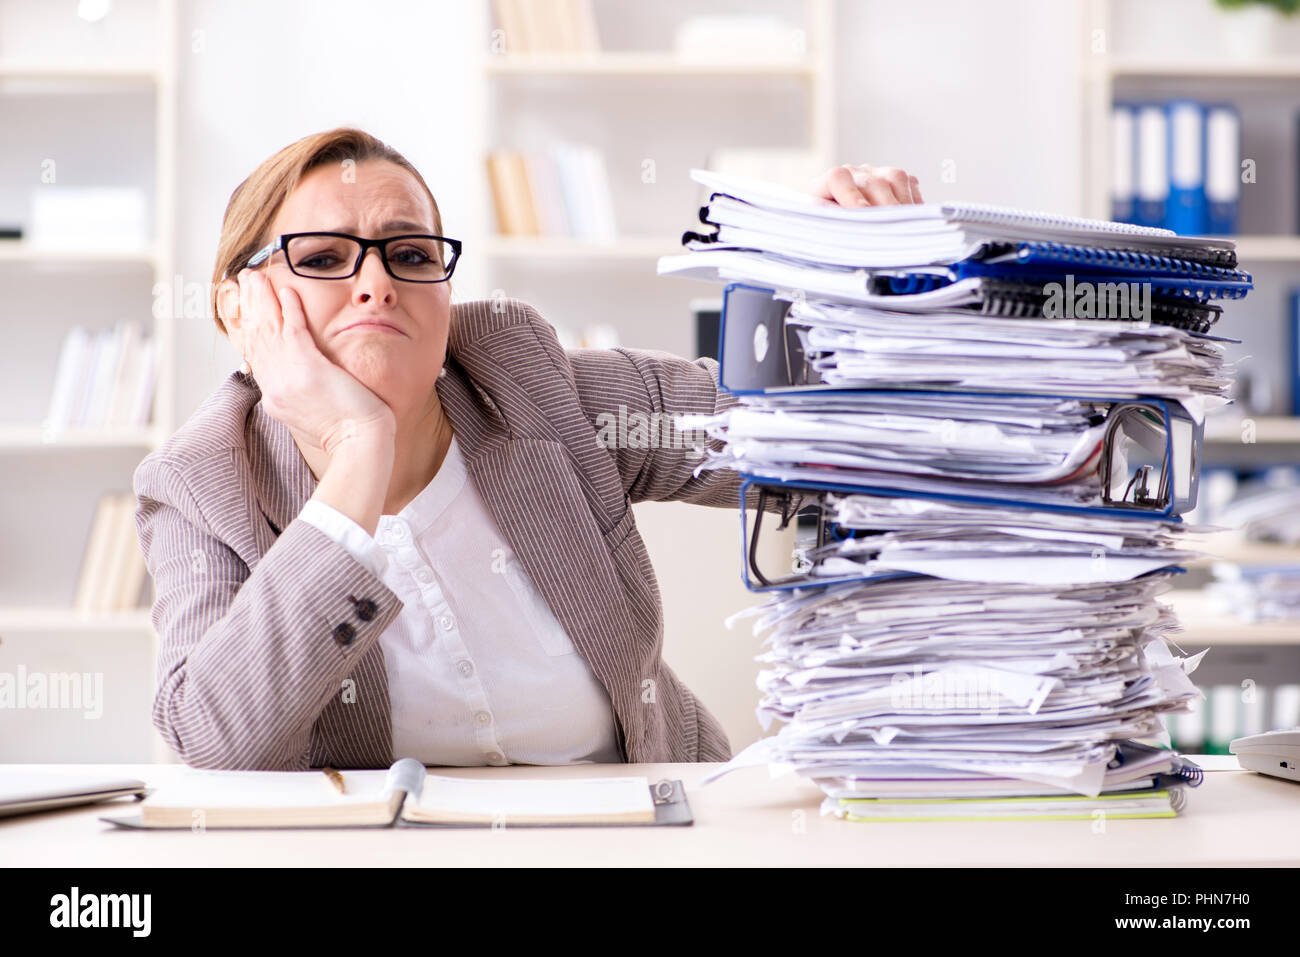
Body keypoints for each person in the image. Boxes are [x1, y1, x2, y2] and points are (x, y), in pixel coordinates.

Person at [133, 126, 924, 770]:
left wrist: (864, 292)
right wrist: (357, 450)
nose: (375, 284)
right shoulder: (202, 482)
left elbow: (803, 437)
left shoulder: (531, 384)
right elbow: (213, 740)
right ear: (239, 310)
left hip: (658, 837)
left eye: (410, 255)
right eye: (323, 257)